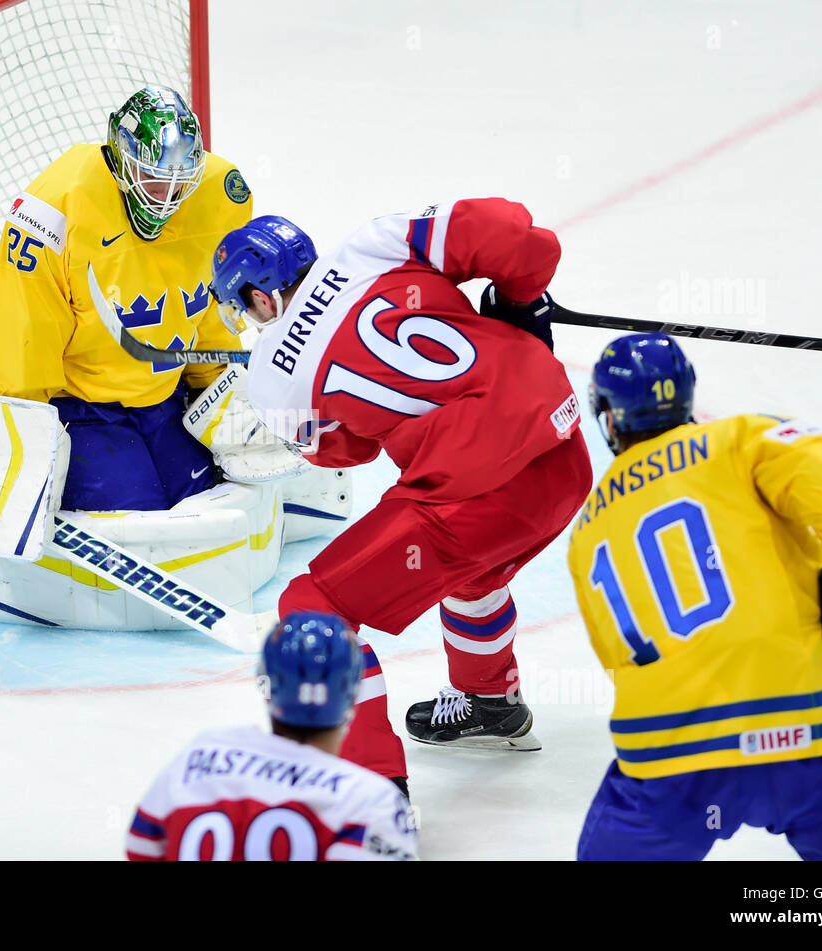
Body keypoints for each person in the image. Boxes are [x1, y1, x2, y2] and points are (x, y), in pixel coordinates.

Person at [207, 203, 594, 789]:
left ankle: (374, 789)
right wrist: (521, 306)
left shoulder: (270, 379)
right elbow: (524, 240)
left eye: (243, 306)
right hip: (562, 455)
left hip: (477, 498)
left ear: (262, 298)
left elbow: (346, 453)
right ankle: (489, 700)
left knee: (315, 606)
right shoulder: (376, 243)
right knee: (472, 571)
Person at [567, 332, 822, 861]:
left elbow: (617, 649)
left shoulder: (588, 527)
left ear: (609, 415)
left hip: (672, 754)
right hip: (803, 726)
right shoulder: (741, 438)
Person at [0, 85, 253, 511]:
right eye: (154, 180)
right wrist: (13, 431)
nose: (167, 199)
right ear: (121, 160)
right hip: (80, 403)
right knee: (134, 514)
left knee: (202, 499)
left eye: (180, 184)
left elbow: (206, 306)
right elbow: (23, 323)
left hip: (160, 396)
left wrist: (219, 390)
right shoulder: (57, 207)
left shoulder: (218, 195)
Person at [126, 611, 418, 861]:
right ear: (355, 696)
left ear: (265, 687)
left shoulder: (197, 759)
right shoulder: (372, 802)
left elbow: (139, 847)